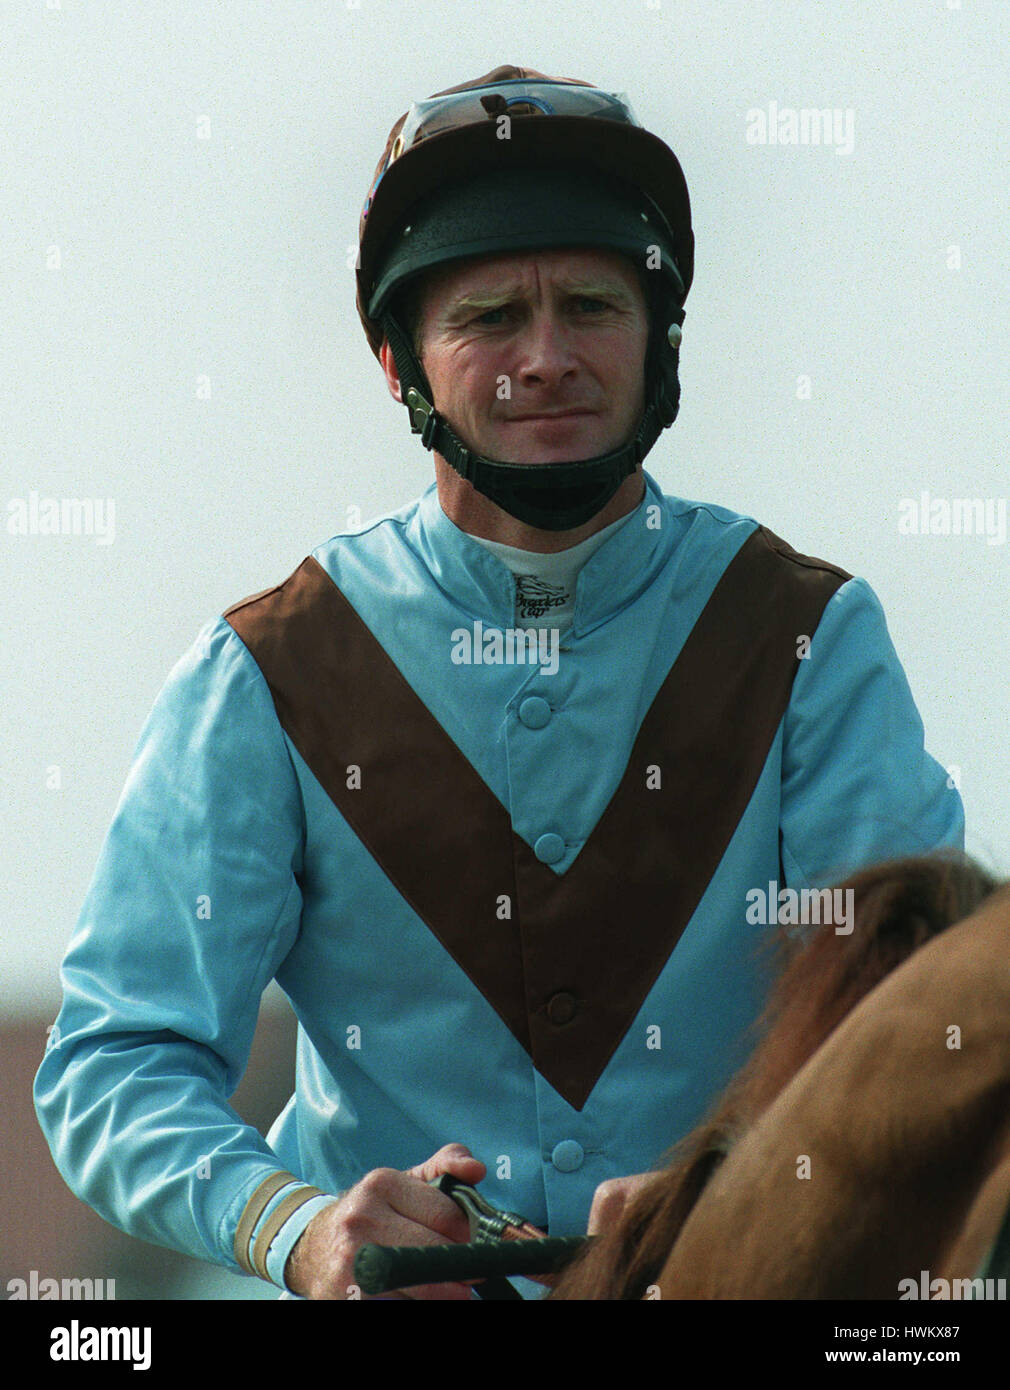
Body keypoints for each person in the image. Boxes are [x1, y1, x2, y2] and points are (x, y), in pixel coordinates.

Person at [34, 65, 964, 1301]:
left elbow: (915, 1026)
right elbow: (115, 1062)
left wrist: (743, 1178)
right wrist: (299, 1230)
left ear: (659, 338)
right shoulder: (263, 672)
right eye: (487, 317)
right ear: (398, 360)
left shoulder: (809, 638)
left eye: (591, 305)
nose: (547, 357)